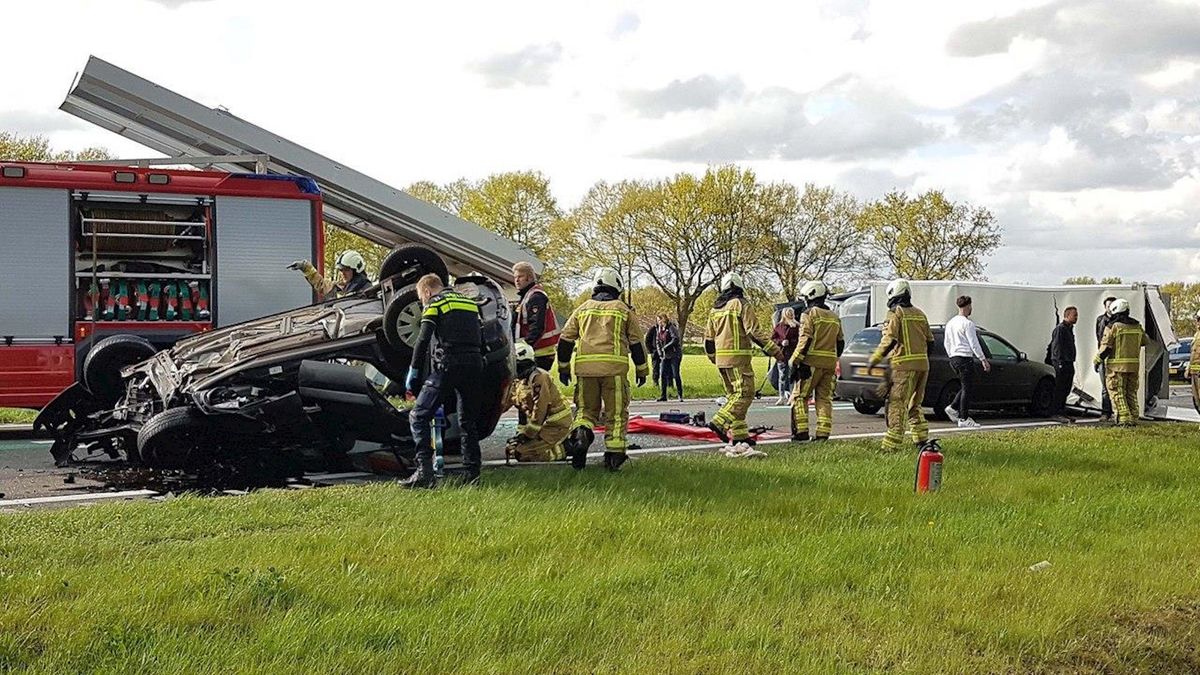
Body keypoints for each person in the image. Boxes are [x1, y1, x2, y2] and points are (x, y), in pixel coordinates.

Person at [557, 268, 649, 471]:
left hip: (585, 372)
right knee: (615, 414)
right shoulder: (623, 310)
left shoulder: (582, 309)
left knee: (585, 411)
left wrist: (564, 368)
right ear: (617, 286)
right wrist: (642, 370)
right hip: (614, 372)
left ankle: (581, 436)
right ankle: (613, 458)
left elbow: (565, 340)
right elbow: (637, 344)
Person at [398, 274, 484, 488]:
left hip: (448, 365)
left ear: (427, 291)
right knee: (467, 422)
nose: (423, 301)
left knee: (418, 416)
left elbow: (423, 339)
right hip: (474, 365)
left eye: (421, 298)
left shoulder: (436, 303)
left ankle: (424, 473)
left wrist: (414, 371)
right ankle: (472, 475)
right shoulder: (469, 303)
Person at [704, 272, 783, 446]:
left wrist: (713, 358)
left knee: (734, 396)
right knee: (744, 395)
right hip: (738, 360)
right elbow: (754, 332)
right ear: (739, 288)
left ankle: (739, 435)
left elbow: (708, 340)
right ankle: (719, 422)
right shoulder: (742, 305)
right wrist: (775, 351)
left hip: (721, 361)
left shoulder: (715, 310)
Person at [868, 279, 934, 452]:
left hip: (903, 366)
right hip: (923, 366)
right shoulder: (920, 313)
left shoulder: (895, 313)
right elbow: (931, 342)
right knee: (915, 404)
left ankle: (891, 446)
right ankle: (921, 441)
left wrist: (875, 359)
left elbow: (890, 340)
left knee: (897, 404)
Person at [789, 282, 844, 442]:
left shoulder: (809, 314)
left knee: (799, 397)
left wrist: (795, 361)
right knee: (824, 399)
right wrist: (832, 358)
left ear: (811, 296)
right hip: (829, 365)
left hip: (810, 363)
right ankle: (822, 434)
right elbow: (840, 342)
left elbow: (805, 339)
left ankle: (801, 433)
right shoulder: (834, 316)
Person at [500, 343, 571, 462]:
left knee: (522, 454)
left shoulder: (539, 378)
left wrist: (527, 435)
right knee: (512, 449)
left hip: (556, 425)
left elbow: (540, 410)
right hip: (541, 427)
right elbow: (505, 403)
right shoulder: (518, 382)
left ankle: (568, 448)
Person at [1094, 298, 1149, 427]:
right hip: (1134, 367)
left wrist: (1097, 360)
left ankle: (1124, 419)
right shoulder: (1137, 326)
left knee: (1118, 393)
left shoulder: (1113, 327)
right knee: (1131, 393)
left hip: (1116, 368)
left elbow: (1106, 347)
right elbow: (1145, 341)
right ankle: (1134, 417)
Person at [942, 295, 991, 428]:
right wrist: (983, 359)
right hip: (964, 357)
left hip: (954, 357)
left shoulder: (950, 323)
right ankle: (963, 417)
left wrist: (951, 355)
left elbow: (947, 343)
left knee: (965, 386)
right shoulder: (968, 323)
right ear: (968, 306)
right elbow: (974, 343)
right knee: (968, 388)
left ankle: (953, 407)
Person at [511, 261, 561, 372]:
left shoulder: (536, 297)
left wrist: (525, 347)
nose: (517, 280)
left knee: (532, 386)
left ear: (529, 278)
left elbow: (537, 326)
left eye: (520, 277)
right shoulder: (527, 296)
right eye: (515, 277)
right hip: (535, 351)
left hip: (540, 352)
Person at [288, 250, 371, 300]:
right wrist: (305, 267)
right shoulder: (340, 287)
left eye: (346, 270)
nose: (343, 274)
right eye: (341, 270)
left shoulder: (368, 292)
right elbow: (321, 285)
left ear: (356, 271)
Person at [1048, 306, 1079, 420]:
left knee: (1066, 388)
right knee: (1060, 388)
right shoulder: (1060, 329)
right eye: (1074, 315)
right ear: (1067, 315)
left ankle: (1062, 410)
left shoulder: (1069, 329)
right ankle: (1056, 412)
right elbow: (1057, 347)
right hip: (1061, 362)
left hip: (1069, 361)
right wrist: (1059, 362)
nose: (1076, 317)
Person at [1095, 296, 1117, 421]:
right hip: (1104, 357)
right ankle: (1105, 412)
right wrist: (1099, 356)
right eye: (1108, 306)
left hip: (1115, 358)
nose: (1110, 308)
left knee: (1115, 386)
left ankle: (1116, 412)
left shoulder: (1119, 321)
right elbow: (1099, 338)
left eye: (1113, 306)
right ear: (1105, 307)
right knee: (1105, 387)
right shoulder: (1100, 320)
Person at [772, 307, 800, 406]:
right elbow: (773, 339)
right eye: (789, 314)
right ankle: (782, 396)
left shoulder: (796, 326)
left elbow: (800, 340)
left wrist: (791, 342)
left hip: (793, 353)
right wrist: (780, 342)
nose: (791, 315)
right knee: (782, 376)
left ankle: (792, 396)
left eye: (792, 313)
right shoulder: (779, 327)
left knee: (792, 375)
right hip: (782, 354)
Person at [654, 314, 684, 402]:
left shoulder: (671, 327)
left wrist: (666, 347)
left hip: (674, 354)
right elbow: (658, 341)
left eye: (659, 320)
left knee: (675, 374)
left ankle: (680, 394)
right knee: (663, 374)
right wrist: (660, 353)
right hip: (665, 356)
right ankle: (663, 395)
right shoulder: (659, 329)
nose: (658, 322)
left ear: (663, 320)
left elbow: (675, 339)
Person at [645, 324, 662, 389]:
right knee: (656, 368)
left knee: (667, 369)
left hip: (665, 352)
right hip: (655, 352)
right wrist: (651, 350)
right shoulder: (653, 329)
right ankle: (655, 382)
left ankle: (668, 384)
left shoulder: (668, 328)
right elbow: (647, 339)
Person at [1190, 310, 1200, 412]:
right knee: (1196, 399)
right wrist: (1189, 369)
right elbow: (1194, 355)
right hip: (1195, 372)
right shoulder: (1197, 334)